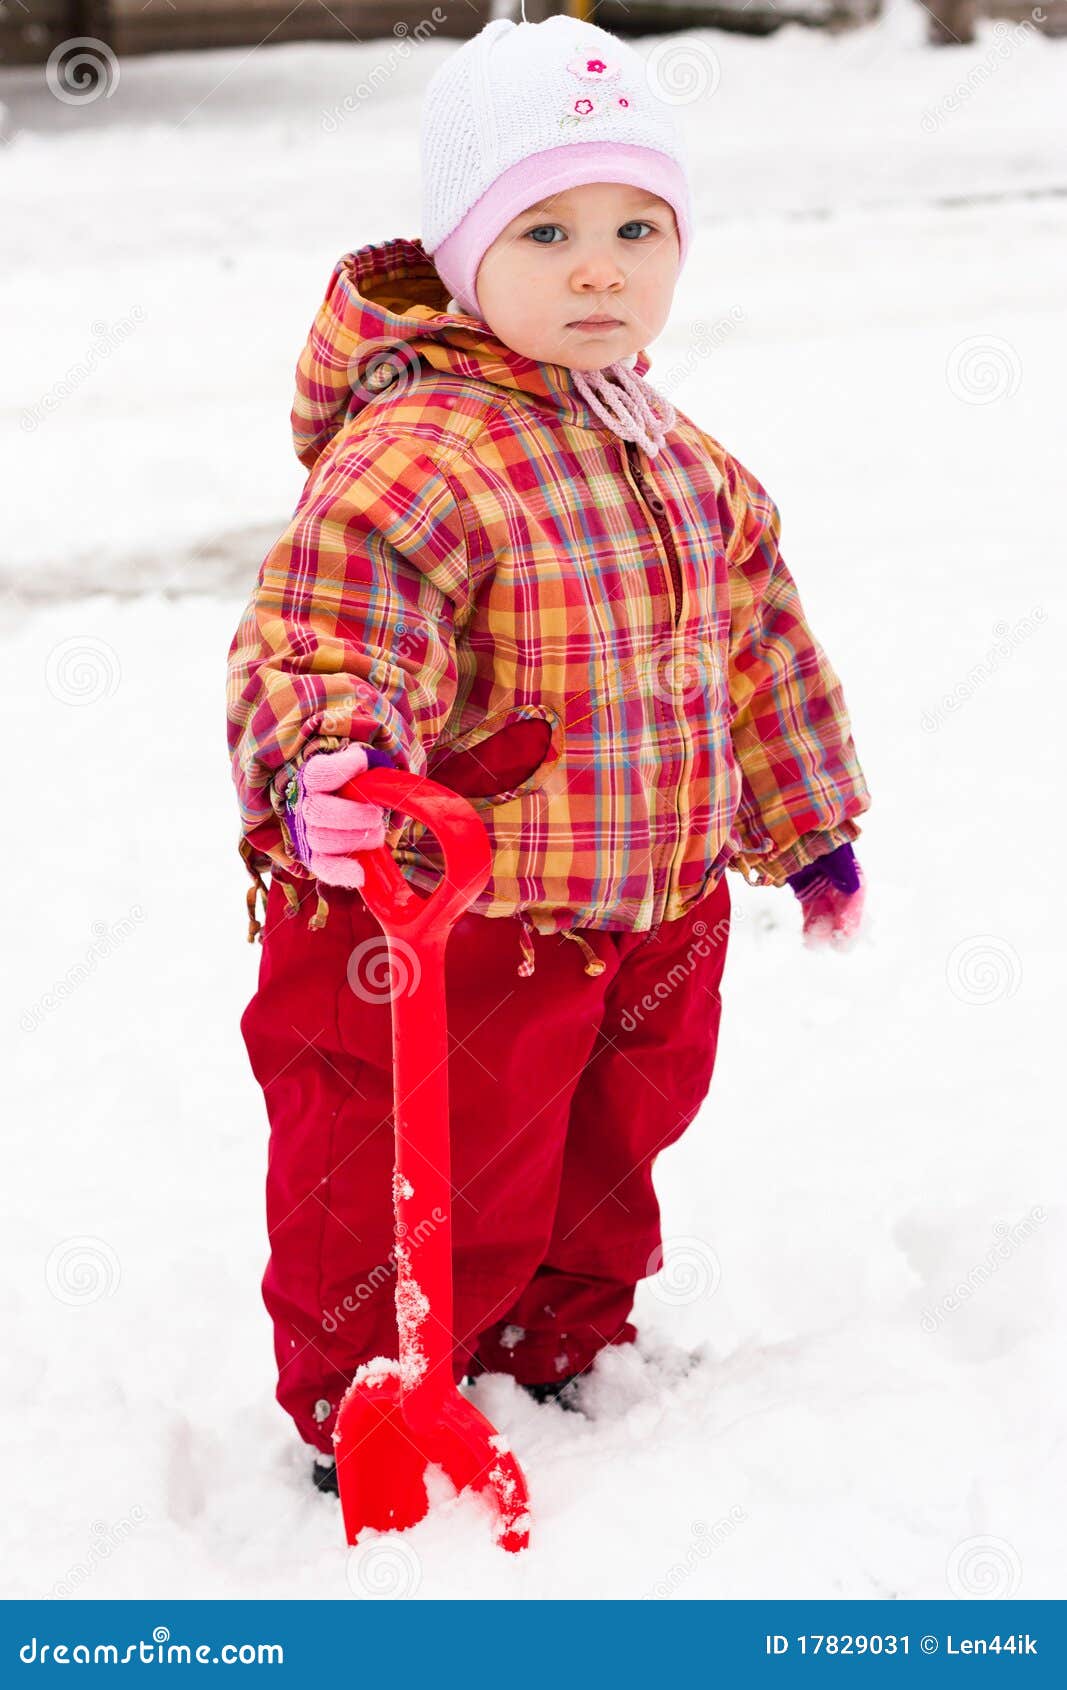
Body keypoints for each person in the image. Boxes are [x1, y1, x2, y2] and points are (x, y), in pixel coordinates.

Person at [225, 12, 872, 1494]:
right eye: (549, 227)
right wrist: (333, 765)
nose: (603, 265)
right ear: (463, 255)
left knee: (608, 1148)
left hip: (650, 909)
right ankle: (371, 1396)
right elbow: (326, 626)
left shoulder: (680, 454)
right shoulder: (424, 448)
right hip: (448, 922)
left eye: (641, 224)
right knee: (403, 1163)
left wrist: (807, 819)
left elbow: (757, 645)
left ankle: (558, 1342)